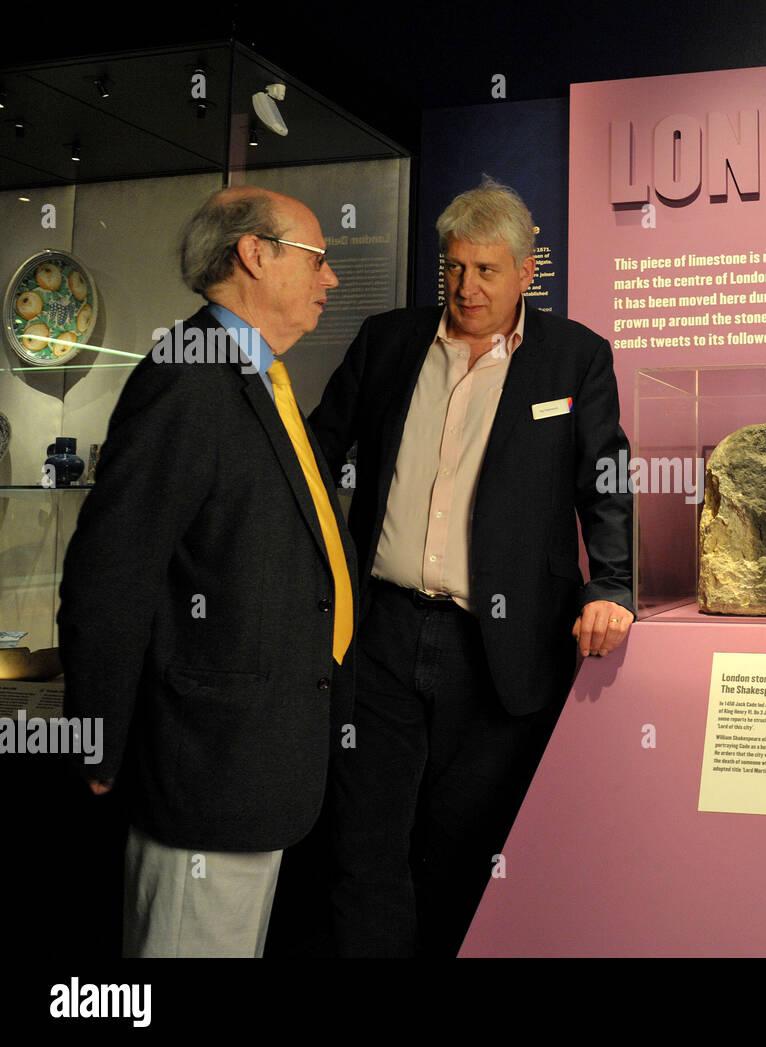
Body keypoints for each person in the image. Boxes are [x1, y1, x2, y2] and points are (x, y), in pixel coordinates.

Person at [310, 177, 634, 956]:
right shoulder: (388, 340)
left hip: (498, 646)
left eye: (488, 270)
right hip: (380, 631)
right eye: (454, 267)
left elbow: (606, 479)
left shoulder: (576, 357)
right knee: (364, 843)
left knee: (467, 846)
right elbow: (315, 453)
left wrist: (613, 584)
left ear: (528, 272)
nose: (467, 287)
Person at [58, 185, 356, 957]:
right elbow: (109, 573)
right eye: (318, 259)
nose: (331, 279)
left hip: (258, 764)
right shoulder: (185, 380)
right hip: (205, 770)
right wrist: (98, 738)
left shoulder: (260, 380)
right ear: (255, 253)